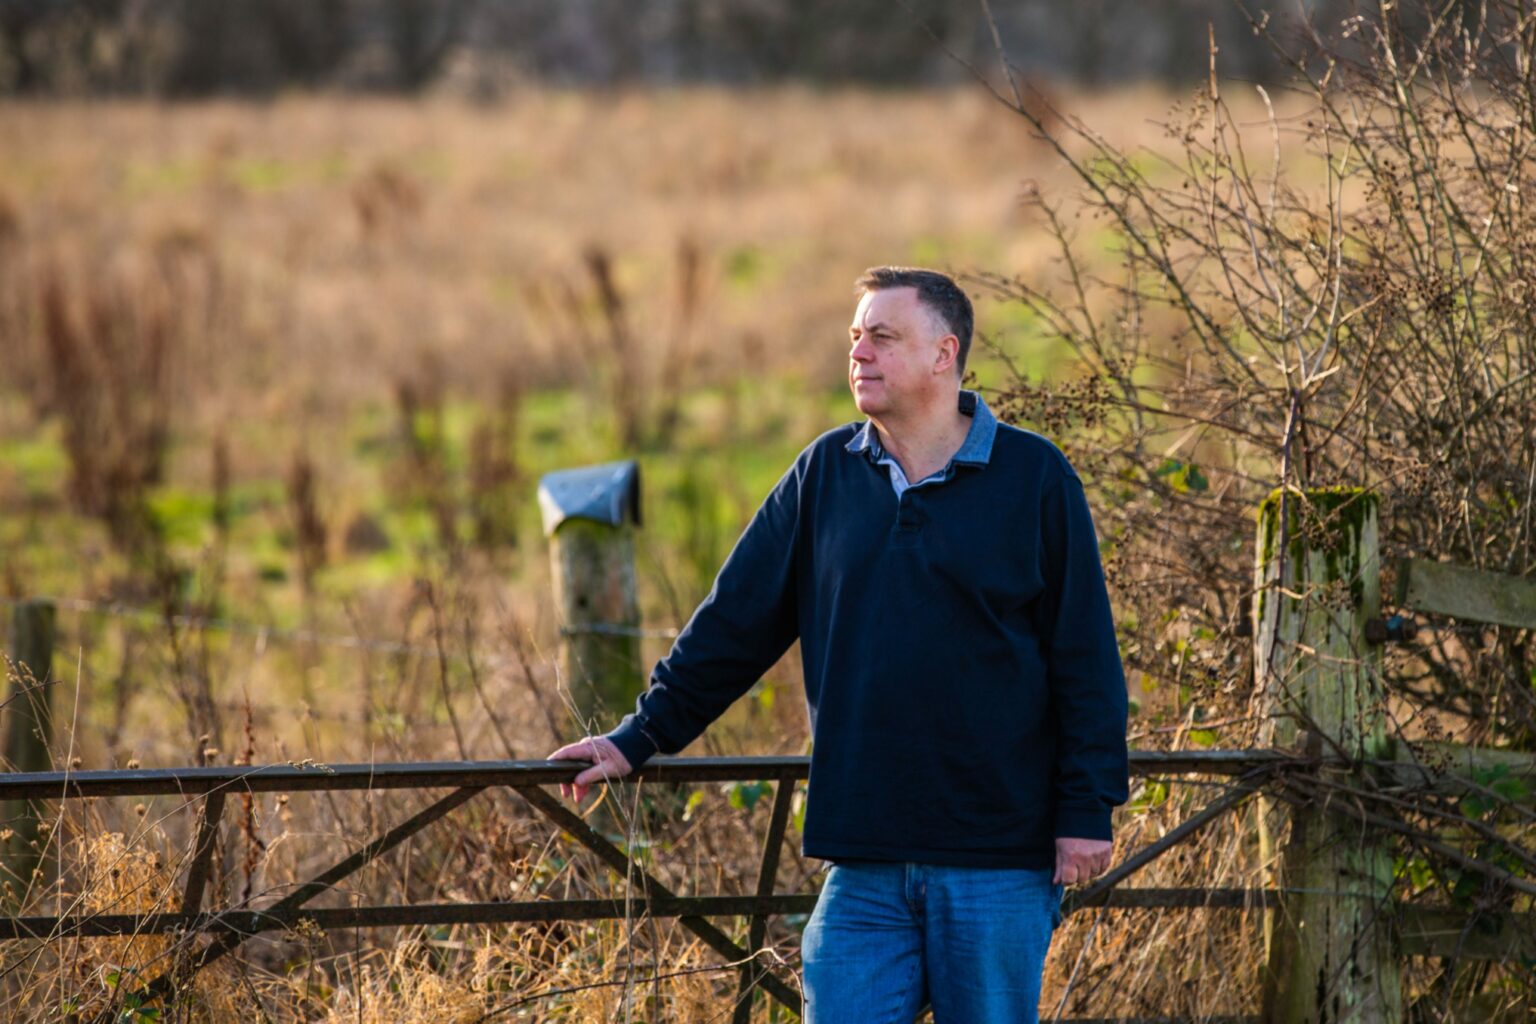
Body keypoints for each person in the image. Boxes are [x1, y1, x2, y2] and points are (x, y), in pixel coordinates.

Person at [548, 266, 1129, 1024]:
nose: (859, 352)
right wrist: (640, 735)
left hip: (998, 861)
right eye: (855, 337)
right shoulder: (825, 472)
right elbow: (733, 624)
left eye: (883, 337)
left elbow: (1084, 657)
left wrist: (1086, 807)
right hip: (864, 861)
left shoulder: (1035, 478)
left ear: (943, 353)